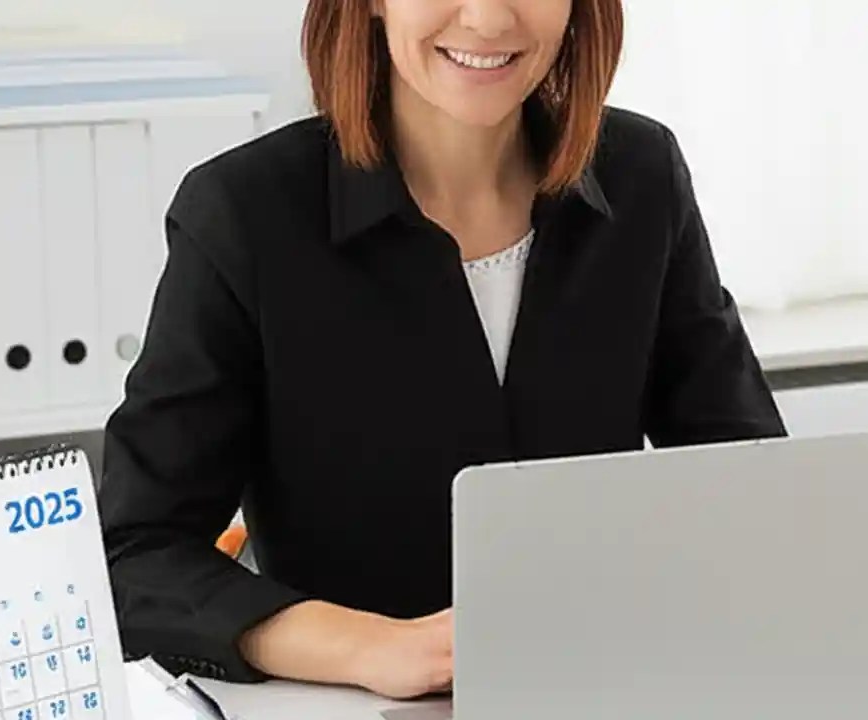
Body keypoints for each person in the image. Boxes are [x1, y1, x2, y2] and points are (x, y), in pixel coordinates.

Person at [98, 0, 787, 702]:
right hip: (356, 706)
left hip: (607, 685)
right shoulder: (244, 211)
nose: (487, 20)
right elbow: (137, 555)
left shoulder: (643, 175)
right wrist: (372, 648)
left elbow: (754, 484)